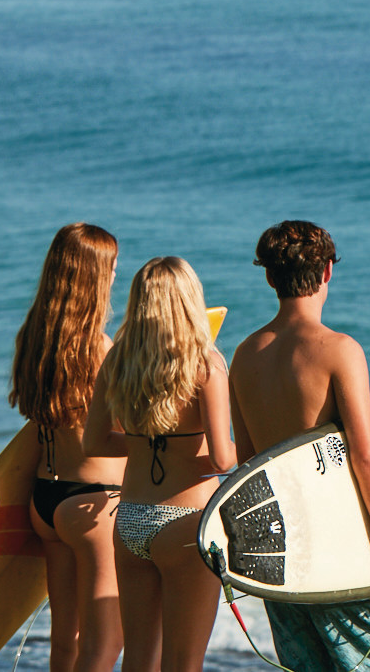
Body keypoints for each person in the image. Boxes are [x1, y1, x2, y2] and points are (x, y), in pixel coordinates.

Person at [229, 221, 370, 672]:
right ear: (327, 272)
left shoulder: (244, 355)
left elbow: (247, 464)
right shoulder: (339, 350)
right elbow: (366, 455)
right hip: (343, 547)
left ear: (269, 277)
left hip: (282, 556)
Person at [83, 257, 235, 672]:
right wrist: (260, 447)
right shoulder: (206, 365)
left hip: (130, 519)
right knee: (183, 663)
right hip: (187, 524)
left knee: (138, 660)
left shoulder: (118, 361)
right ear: (191, 300)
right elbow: (222, 458)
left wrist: (145, 445)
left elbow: (94, 443)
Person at [10, 224, 125, 672]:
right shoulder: (100, 348)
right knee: (105, 644)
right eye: (111, 267)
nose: (115, 275)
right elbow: (116, 433)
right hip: (94, 503)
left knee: (66, 643)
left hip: (46, 500)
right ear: (93, 276)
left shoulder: (33, 339)